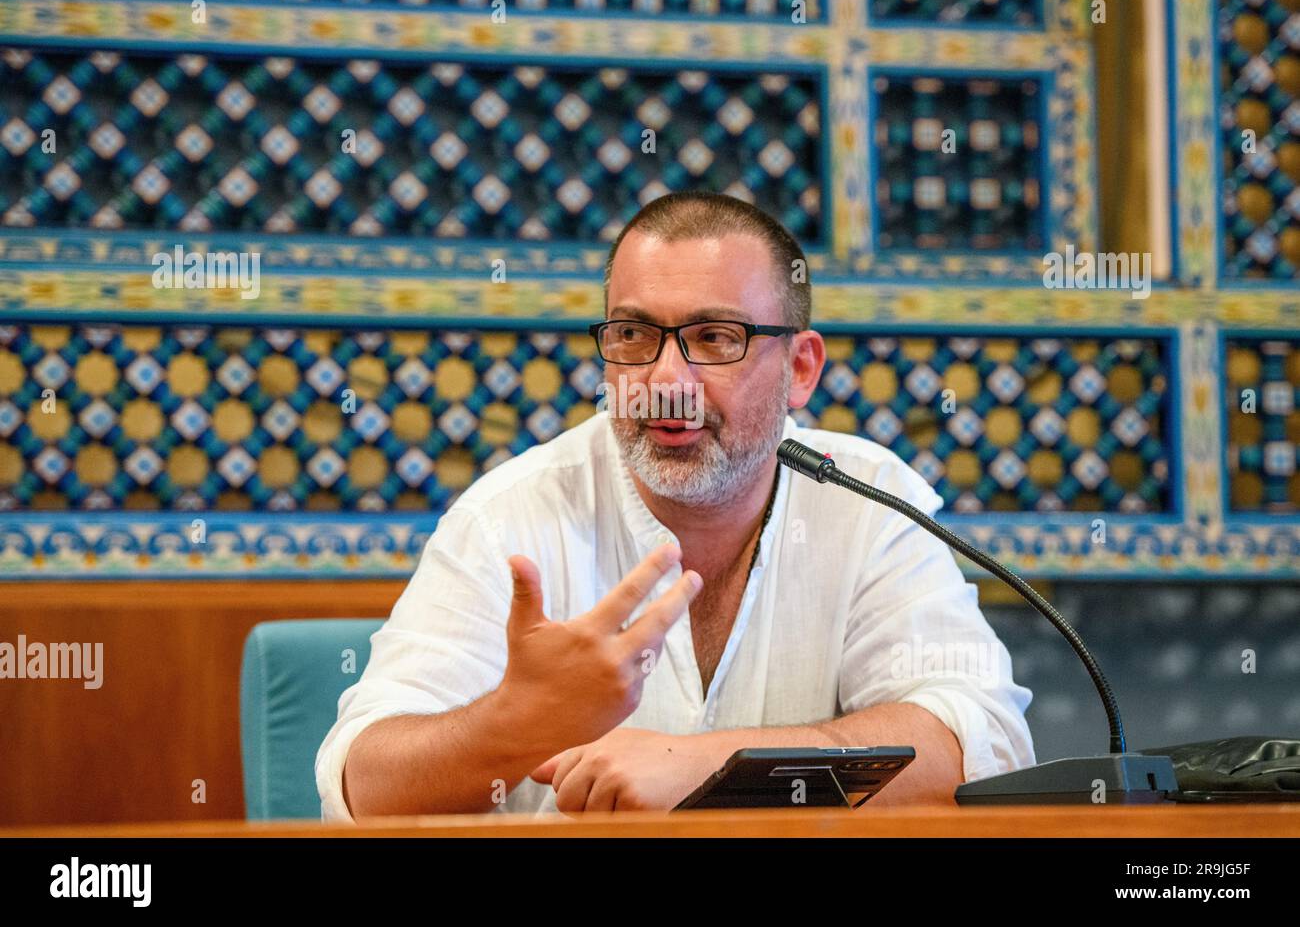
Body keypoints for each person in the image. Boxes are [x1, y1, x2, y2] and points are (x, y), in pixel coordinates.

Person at [316, 190, 1034, 818]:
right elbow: (359, 786)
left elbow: (978, 740)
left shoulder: (872, 503)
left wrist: (708, 766)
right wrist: (515, 723)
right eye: (633, 336)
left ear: (800, 368)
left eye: (714, 338)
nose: (666, 380)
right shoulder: (510, 518)